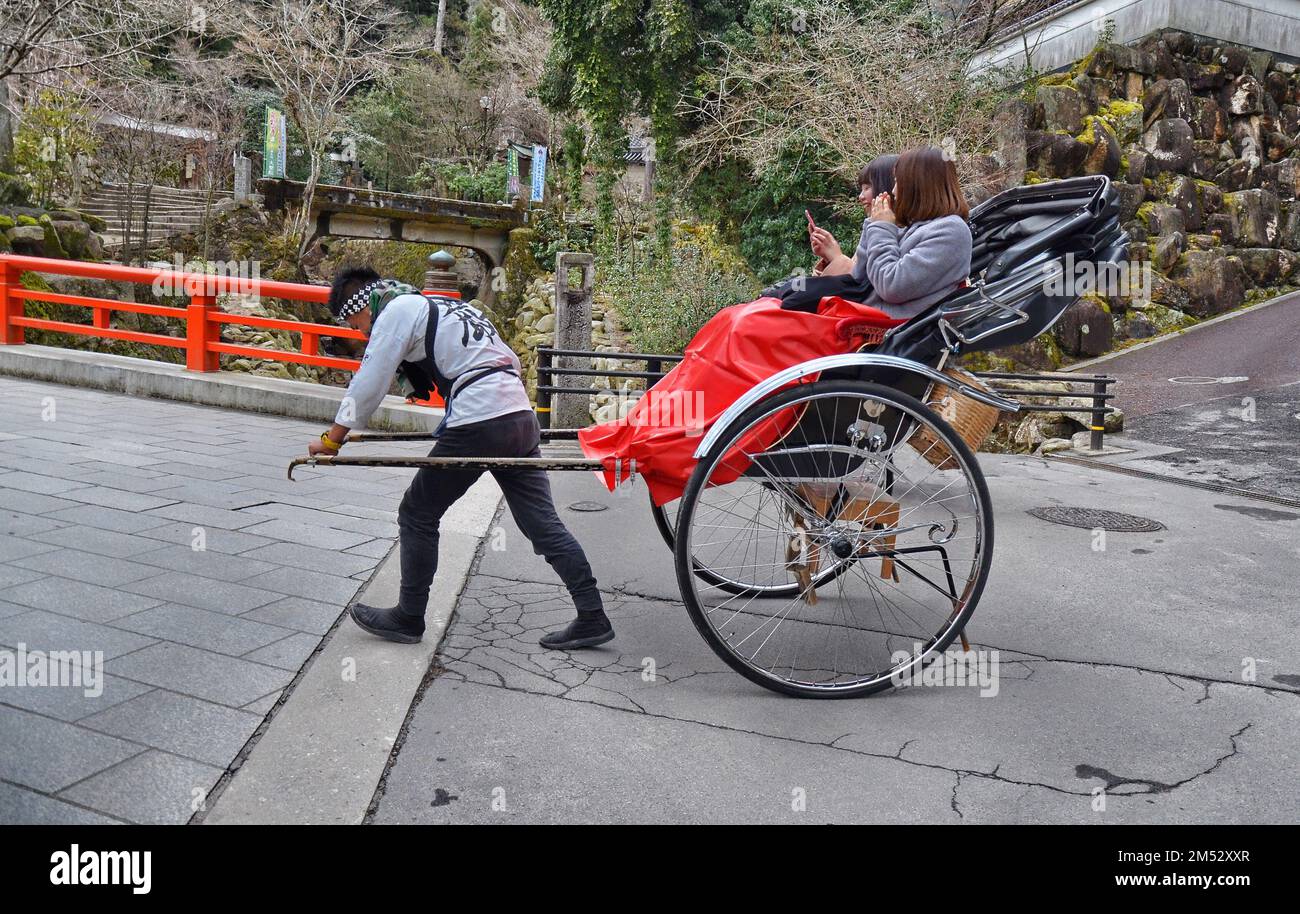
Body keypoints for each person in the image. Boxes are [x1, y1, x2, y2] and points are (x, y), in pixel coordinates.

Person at [580, 145, 973, 503]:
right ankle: (656, 425)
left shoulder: (950, 231)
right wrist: (875, 227)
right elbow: (865, 277)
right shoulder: (915, 226)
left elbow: (890, 284)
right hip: (853, 318)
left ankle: (679, 437)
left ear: (921, 183)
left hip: (867, 333)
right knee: (734, 322)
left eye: (901, 182)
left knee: (744, 328)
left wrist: (882, 227)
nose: (894, 190)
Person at [308, 267, 613, 650]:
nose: (361, 333)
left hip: (480, 421)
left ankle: (409, 616)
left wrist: (331, 438)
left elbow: (370, 379)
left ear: (361, 304)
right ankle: (591, 615)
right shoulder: (449, 307)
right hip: (519, 416)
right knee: (542, 522)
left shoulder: (397, 311)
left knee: (417, 511)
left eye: (355, 323)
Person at [809, 154, 899, 276]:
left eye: (867, 188)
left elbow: (860, 282)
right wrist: (828, 256)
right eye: (861, 189)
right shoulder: (873, 225)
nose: (860, 197)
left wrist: (837, 257)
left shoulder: (895, 230)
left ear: (886, 188)